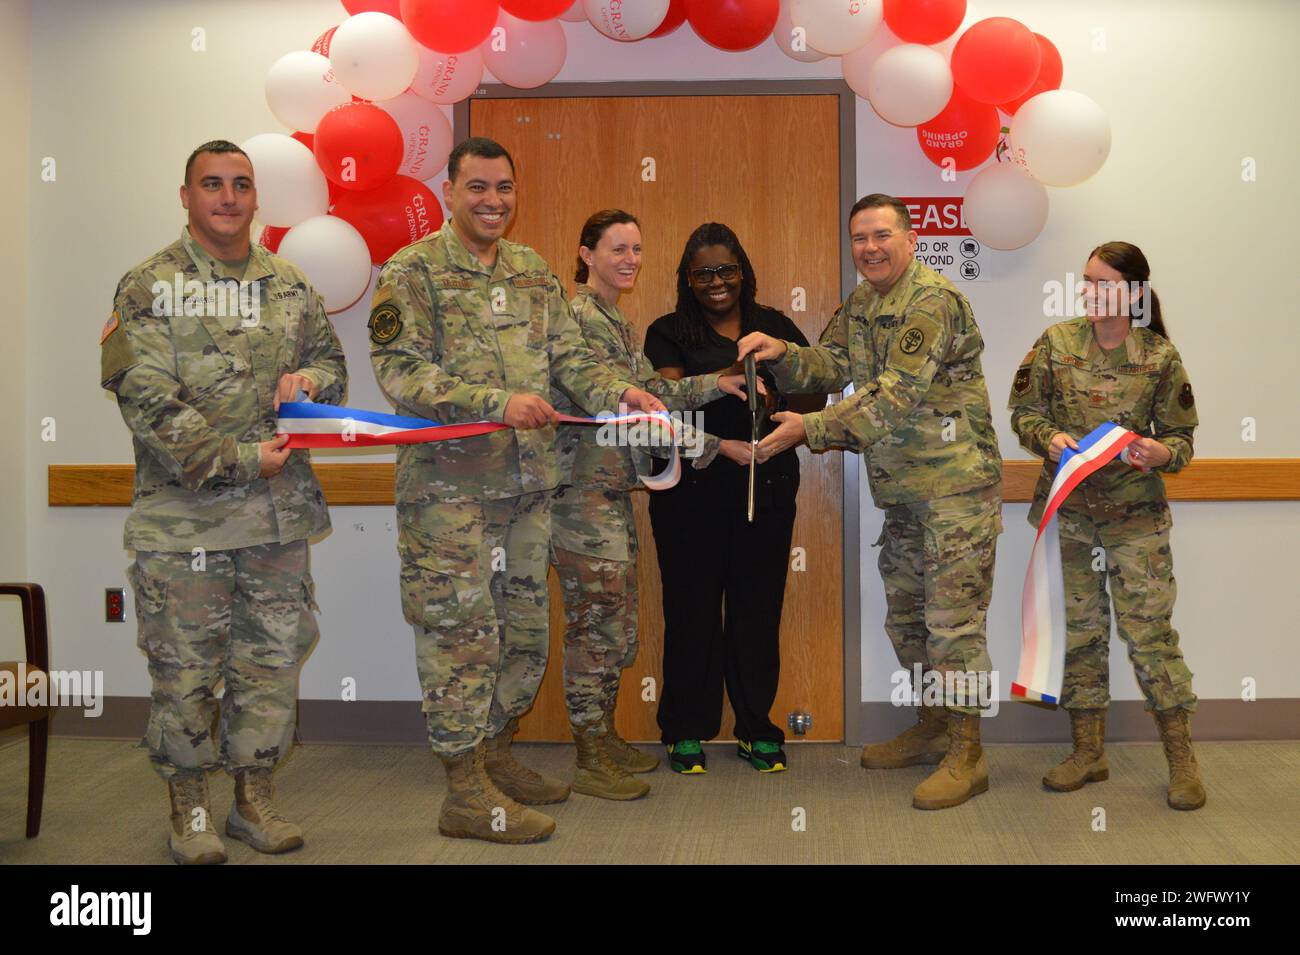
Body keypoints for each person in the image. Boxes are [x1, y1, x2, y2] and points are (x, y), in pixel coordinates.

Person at [369, 138, 668, 844]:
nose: (492, 200)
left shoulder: (532, 271)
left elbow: (569, 357)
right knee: (460, 641)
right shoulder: (414, 271)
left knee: (524, 636)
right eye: (477, 187)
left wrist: (620, 388)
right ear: (449, 191)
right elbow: (399, 371)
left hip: (530, 491)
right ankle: (463, 790)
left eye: (503, 187)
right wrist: (493, 400)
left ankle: (497, 756)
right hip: (450, 497)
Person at [100, 140, 347, 864]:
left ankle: (253, 800)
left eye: (241, 184)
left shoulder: (292, 283)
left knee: (269, 663)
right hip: (185, 524)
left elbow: (334, 367)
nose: (229, 197)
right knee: (185, 670)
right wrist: (241, 458)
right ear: (186, 196)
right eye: (212, 184)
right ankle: (189, 808)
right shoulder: (150, 286)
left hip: (277, 518)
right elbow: (148, 402)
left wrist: (310, 381)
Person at [738, 194, 1003, 810]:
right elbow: (833, 363)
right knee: (909, 620)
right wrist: (785, 353)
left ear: (910, 240)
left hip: (955, 490)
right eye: (859, 238)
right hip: (905, 492)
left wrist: (811, 429)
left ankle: (969, 752)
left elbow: (894, 393)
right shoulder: (863, 302)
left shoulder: (930, 300)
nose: (870, 248)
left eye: (882, 235)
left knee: (953, 628)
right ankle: (935, 727)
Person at [552, 209, 753, 799]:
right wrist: (719, 446)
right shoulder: (577, 318)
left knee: (613, 624)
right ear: (586, 254)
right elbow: (626, 405)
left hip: (610, 493)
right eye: (617, 249)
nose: (630, 260)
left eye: (637, 249)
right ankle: (590, 754)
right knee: (596, 626)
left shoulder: (613, 319)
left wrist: (716, 383)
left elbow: (654, 393)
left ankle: (604, 736)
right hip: (579, 495)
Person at [1008, 241, 1204, 810]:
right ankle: (1088, 752)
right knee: (1081, 632)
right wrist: (1047, 438)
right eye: (1086, 282)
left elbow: (1182, 439)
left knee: (1149, 635)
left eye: (1104, 283)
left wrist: (1157, 453)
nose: (1091, 293)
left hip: (1135, 520)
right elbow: (1024, 412)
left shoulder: (1160, 357)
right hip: (1070, 514)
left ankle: (1182, 760)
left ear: (1135, 293)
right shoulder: (1057, 344)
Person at [643, 222, 824, 776]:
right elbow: (664, 406)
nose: (716, 282)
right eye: (703, 273)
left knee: (756, 609)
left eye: (726, 269)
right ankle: (684, 729)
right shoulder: (668, 329)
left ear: (742, 269)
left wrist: (779, 390)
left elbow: (816, 389)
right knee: (691, 608)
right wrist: (729, 374)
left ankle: (755, 729)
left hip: (765, 483)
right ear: (687, 279)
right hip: (691, 490)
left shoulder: (774, 326)